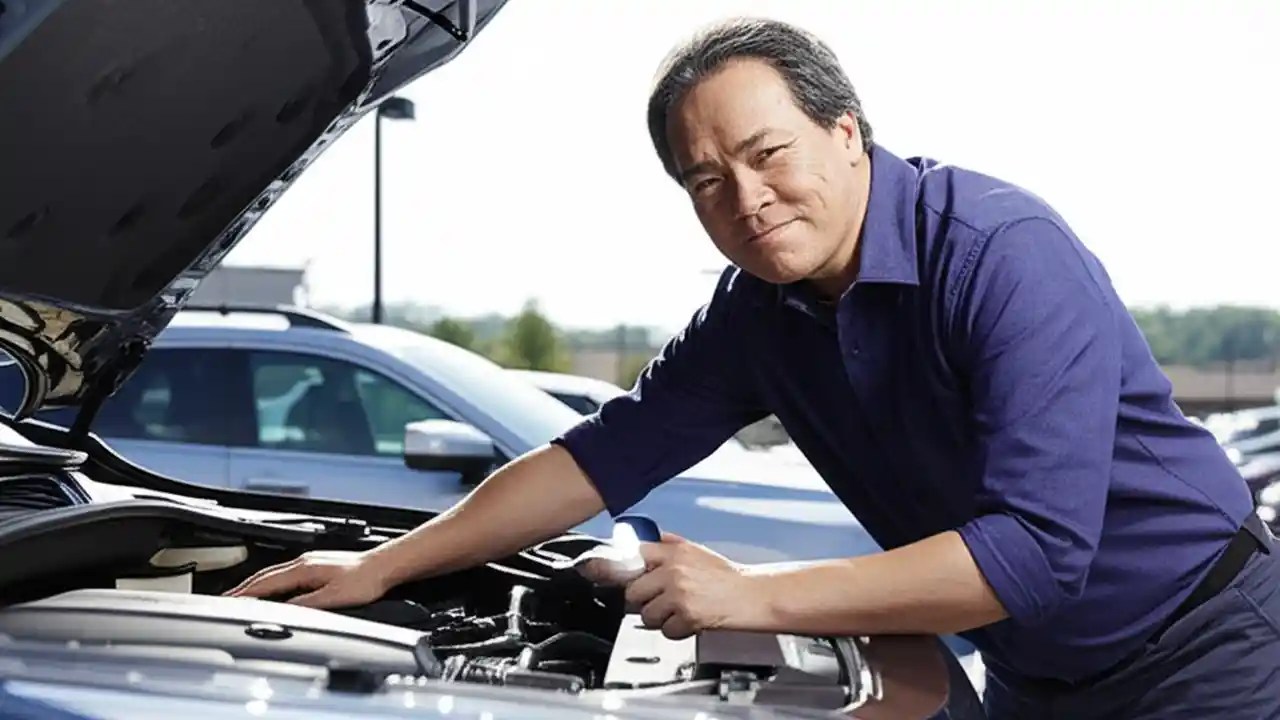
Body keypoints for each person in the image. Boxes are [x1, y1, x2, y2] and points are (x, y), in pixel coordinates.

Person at [226, 16, 1280, 718]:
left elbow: (1036, 554)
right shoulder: (754, 313)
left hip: (1204, 647)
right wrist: (384, 567)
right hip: (1030, 674)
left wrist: (750, 596)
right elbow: (595, 458)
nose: (745, 196)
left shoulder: (1001, 252)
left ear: (845, 132)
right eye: (704, 179)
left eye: (767, 153)